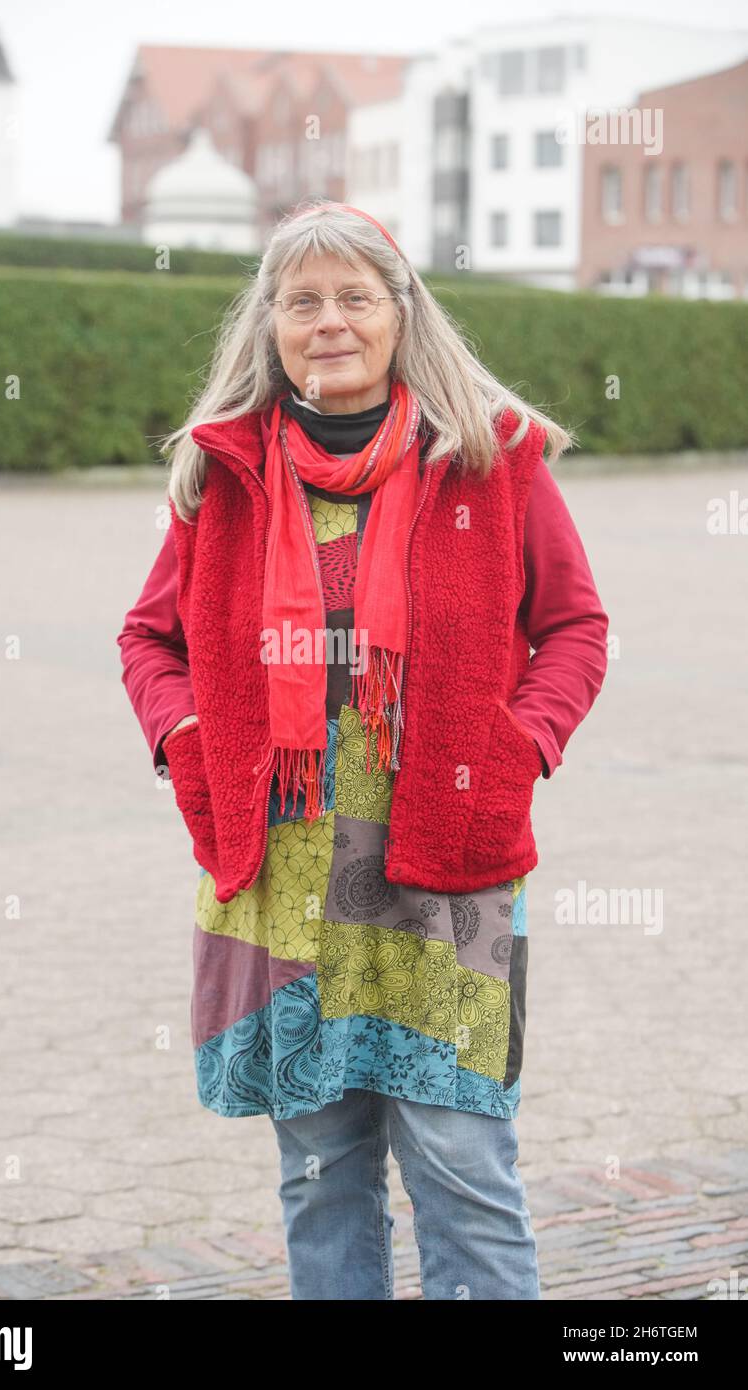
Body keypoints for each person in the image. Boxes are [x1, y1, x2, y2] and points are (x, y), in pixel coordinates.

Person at [116, 198, 609, 1300]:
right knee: (320, 1174)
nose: (327, 320)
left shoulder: (491, 459)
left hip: (448, 877)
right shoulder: (221, 472)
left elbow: (576, 626)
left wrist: (522, 742)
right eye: (301, 301)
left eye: (353, 296)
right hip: (283, 883)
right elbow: (150, 637)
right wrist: (187, 740)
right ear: (270, 326)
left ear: (400, 315)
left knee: (465, 1167)